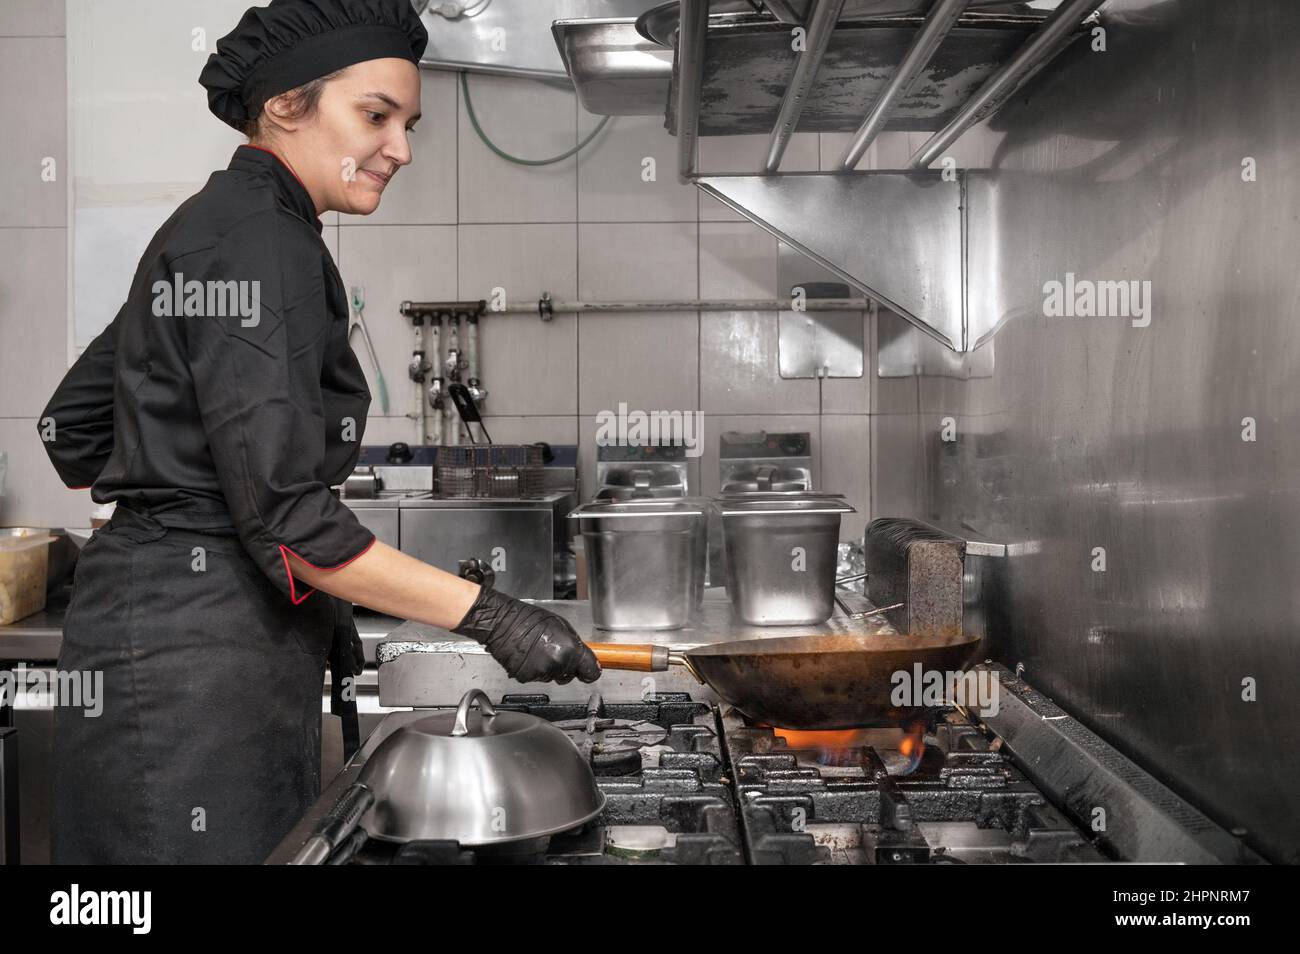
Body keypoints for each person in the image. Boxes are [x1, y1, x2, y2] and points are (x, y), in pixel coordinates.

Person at [36, 0, 599, 865]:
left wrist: (179, 502)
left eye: (407, 123)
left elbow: (73, 431)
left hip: (168, 642)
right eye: (375, 116)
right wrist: (493, 618)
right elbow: (289, 524)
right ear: (286, 105)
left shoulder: (215, 226)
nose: (401, 148)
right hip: (193, 674)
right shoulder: (265, 241)